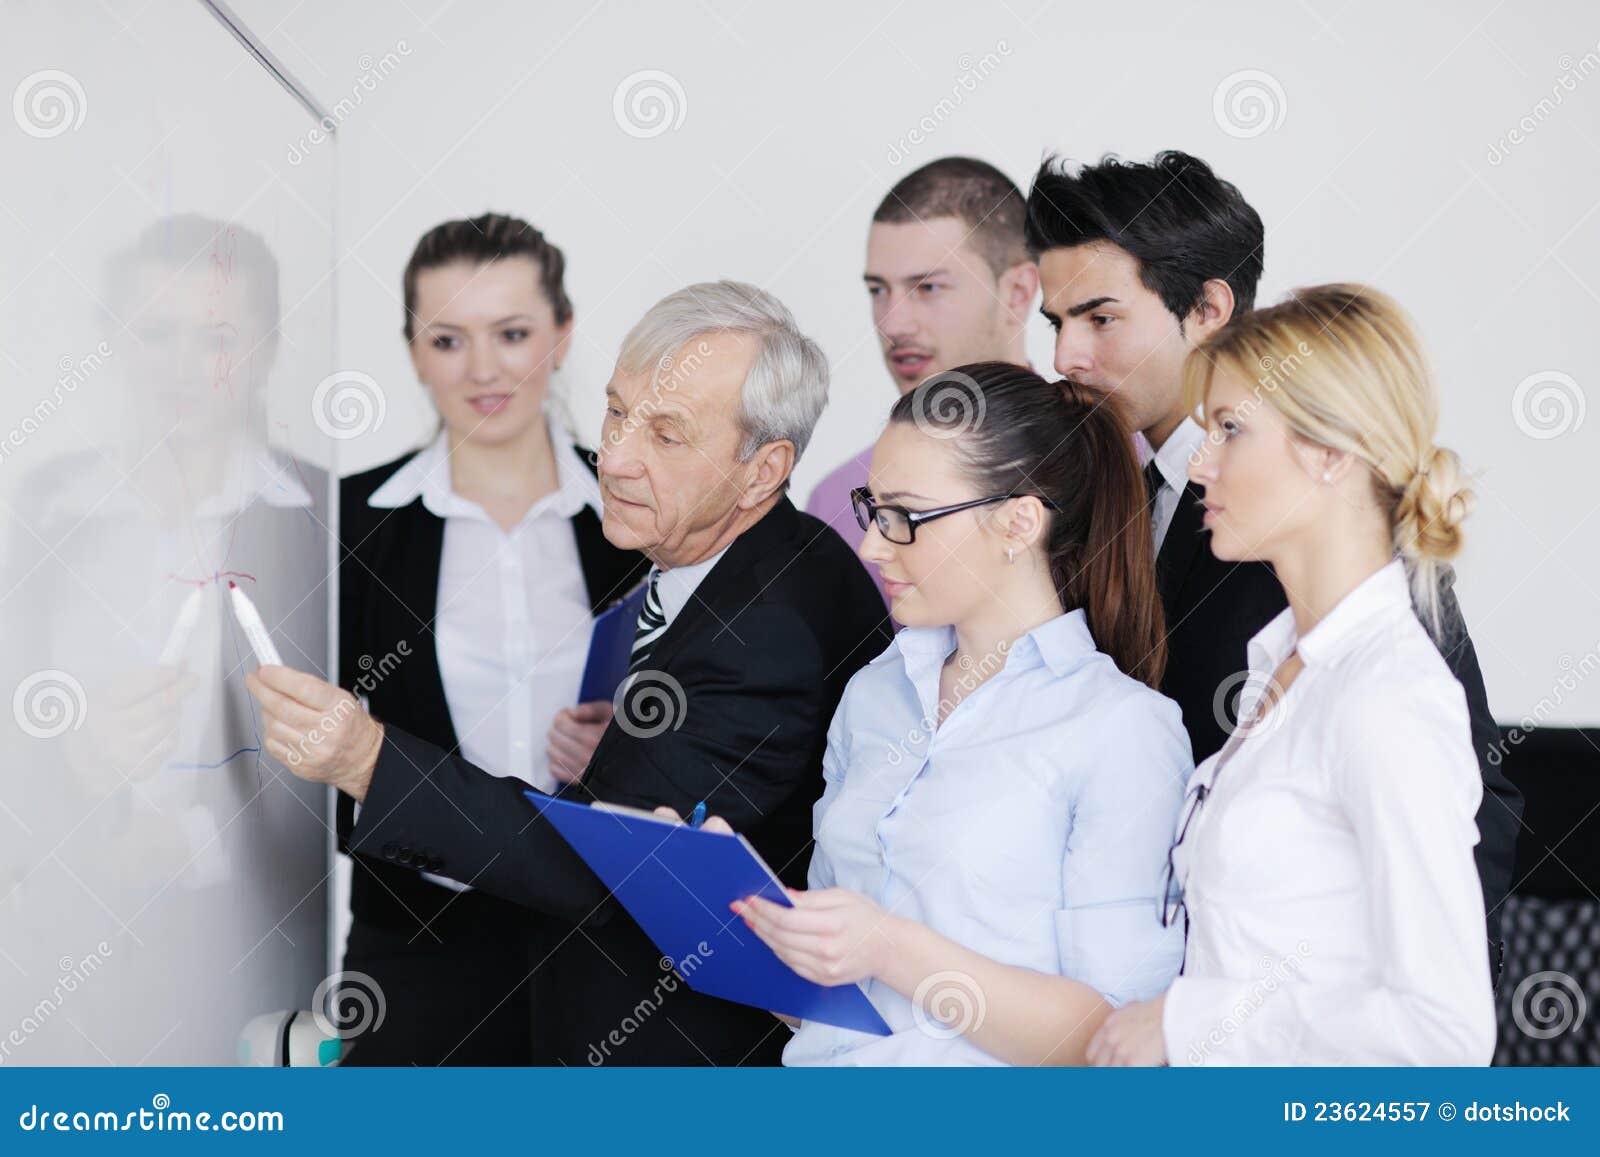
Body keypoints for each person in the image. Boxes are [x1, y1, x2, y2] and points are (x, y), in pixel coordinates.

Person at [249, 281, 892, 1065]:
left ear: (763, 471)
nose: (615, 457)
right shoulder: (719, 558)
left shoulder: (772, 629)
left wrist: (365, 759)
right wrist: (629, 750)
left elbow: (601, 869)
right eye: (618, 412)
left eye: (666, 434)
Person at [1024, 150, 1522, 982]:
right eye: (1056, 322)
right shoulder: (1091, 495)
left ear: (1209, 307)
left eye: (1100, 319)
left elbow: (1479, 809)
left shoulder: (1328, 517)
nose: (1068, 355)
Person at [694, 363, 1191, 1065]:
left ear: (1018, 521)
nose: (871, 544)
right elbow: (831, 1006)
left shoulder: (1121, 729)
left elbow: (1108, 1037)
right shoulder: (873, 694)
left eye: (905, 517)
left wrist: (888, 944)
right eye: (874, 509)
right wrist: (731, 911)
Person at [1088, 285, 1497, 1066]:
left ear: (1333, 451)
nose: (1200, 464)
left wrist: (1190, 1021)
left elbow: (1445, 1034)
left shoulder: (1385, 697)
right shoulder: (1289, 666)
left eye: (1231, 430)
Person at [334, 213, 647, 1064]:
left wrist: (627, 750)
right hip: (417, 948)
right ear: (411, 350)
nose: (484, 370)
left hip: (611, 932)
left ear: (563, 333)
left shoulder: (643, 516)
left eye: (512, 333)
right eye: (448, 339)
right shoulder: (351, 525)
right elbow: (305, 757)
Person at [806, 157, 1037, 601]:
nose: (893, 324)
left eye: (927, 288)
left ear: (1017, 292)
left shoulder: (1120, 464)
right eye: (878, 290)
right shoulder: (836, 504)